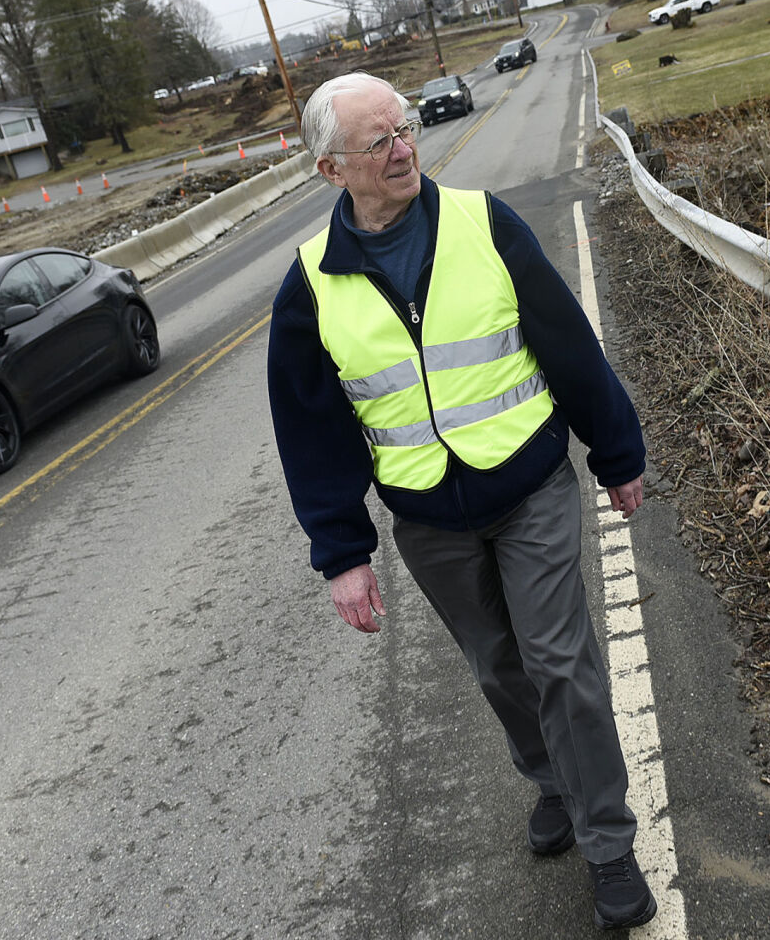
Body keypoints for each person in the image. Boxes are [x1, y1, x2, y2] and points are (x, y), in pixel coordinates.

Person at [267, 71, 658, 930]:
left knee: (562, 664)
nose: (403, 147)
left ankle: (609, 843)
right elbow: (311, 432)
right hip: (430, 523)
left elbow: (566, 340)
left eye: (403, 128)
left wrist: (616, 450)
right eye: (379, 141)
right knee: (499, 668)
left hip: (531, 488)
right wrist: (342, 554)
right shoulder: (311, 286)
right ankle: (552, 782)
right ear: (333, 170)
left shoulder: (485, 224)